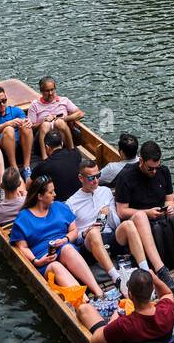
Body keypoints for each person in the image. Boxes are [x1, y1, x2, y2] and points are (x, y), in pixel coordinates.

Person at [114, 140, 174, 289]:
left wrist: (169, 207)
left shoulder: (163, 171)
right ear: (141, 161)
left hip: (161, 217)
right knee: (140, 217)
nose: (154, 172)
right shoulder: (126, 177)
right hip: (138, 221)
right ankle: (160, 269)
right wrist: (147, 213)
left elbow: (169, 199)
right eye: (150, 168)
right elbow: (121, 211)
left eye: (156, 168)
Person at [10, 175, 108, 306]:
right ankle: (85, 302)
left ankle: (99, 293)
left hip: (63, 248)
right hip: (42, 259)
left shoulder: (60, 207)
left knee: (67, 248)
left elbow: (74, 231)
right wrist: (36, 261)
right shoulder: (23, 218)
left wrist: (65, 239)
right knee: (56, 267)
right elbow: (22, 248)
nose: (55, 194)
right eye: (51, 192)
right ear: (39, 196)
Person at [67, 160, 147, 283]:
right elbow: (74, 237)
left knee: (128, 225)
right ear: (81, 178)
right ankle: (116, 279)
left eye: (98, 176)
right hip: (89, 242)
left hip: (109, 235)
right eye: (91, 178)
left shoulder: (106, 191)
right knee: (94, 232)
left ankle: (145, 270)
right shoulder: (71, 203)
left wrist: (108, 213)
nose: (95, 181)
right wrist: (84, 233)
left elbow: (116, 224)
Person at [77, 267, 174, 343]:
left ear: (130, 295)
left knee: (84, 309)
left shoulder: (122, 324)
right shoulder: (166, 309)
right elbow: (167, 294)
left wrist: (114, 318)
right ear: (152, 288)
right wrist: (155, 279)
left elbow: (94, 342)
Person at [0, 85, 34, 180]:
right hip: (3, 145)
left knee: (26, 126)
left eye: (4, 100)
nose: (2, 104)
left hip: (20, 142)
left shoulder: (16, 110)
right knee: (9, 129)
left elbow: (25, 121)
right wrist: (8, 124)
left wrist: (28, 122)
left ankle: (27, 167)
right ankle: (14, 168)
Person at [27, 78, 84, 158]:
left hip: (62, 135)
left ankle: (71, 149)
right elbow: (31, 127)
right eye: (47, 91)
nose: (50, 93)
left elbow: (80, 114)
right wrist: (43, 121)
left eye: (52, 90)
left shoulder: (64, 100)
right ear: (41, 91)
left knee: (59, 122)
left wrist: (64, 119)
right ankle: (44, 157)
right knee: (46, 125)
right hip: (44, 139)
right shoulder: (35, 105)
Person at [30, 129, 84, 202]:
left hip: (61, 202)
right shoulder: (76, 154)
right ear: (61, 144)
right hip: (80, 196)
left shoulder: (44, 165)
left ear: (47, 147)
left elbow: (29, 185)